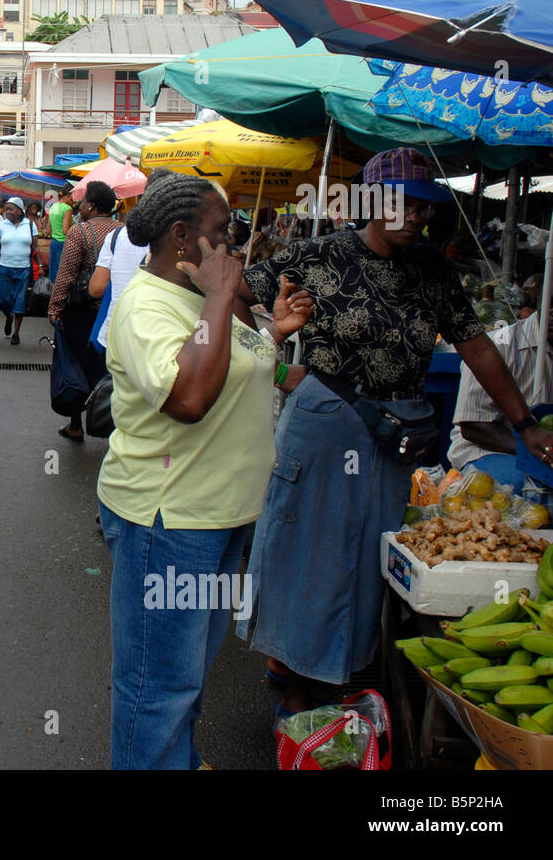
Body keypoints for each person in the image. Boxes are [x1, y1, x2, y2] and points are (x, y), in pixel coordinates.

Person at [235, 147, 553, 715]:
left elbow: (474, 344)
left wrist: (525, 422)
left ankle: (345, 675)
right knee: (308, 551)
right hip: (327, 423)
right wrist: (272, 362)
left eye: (424, 208)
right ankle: (295, 677)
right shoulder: (319, 255)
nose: (415, 217)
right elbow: (235, 294)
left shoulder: (433, 267)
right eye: (402, 204)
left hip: (396, 430)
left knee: (370, 555)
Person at [98, 169, 313, 768]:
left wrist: (271, 334)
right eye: (223, 231)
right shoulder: (146, 306)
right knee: (157, 683)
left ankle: (177, 760)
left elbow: (236, 367)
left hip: (222, 516)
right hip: (169, 521)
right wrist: (222, 297)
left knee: (186, 673)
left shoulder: (200, 298)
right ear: (180, 236)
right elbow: (189, 398)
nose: (235, 245)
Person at [48, 181, 119, 441]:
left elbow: (65, 275)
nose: (79, 205)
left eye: (83, 201)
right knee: (108, 367)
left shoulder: (79, 232)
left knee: (75, 363)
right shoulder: (124, 232)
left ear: (91, 204)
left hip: (81, 311)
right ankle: (110, 423)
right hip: (113, 311)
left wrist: (55, 307)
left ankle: (76, 424)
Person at [449, 312, 551, 491]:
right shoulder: (499, 343)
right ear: (537, 294)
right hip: (487, 450)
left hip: (540, 449)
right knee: (530, 491)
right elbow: (473, 427)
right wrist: (530, 447)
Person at [89, 203, 149, 350]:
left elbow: (96, 289)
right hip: (153, 339)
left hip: (115, 334)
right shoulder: (179, 241)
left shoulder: (116, 235)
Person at [0, 196, 37, 346]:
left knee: (20, 300)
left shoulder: (30, 225)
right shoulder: (2, 225)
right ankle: (9, 317)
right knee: (4, 299)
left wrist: (39, 266)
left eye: (11, 209)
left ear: (20, 211)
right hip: (5, 268)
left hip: (24, 269)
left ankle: (16, 333)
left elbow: (35, 247)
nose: (7, 212)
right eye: (6, 209)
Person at [46, 196, 73, 281]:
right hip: (64, 243)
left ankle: (52, 292)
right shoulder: (67, 208)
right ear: (68, 196)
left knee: (53, 271)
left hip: (54, 243)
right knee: (62, 272)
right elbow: (66, 231)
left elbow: (49, 229)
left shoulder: (53, 207)